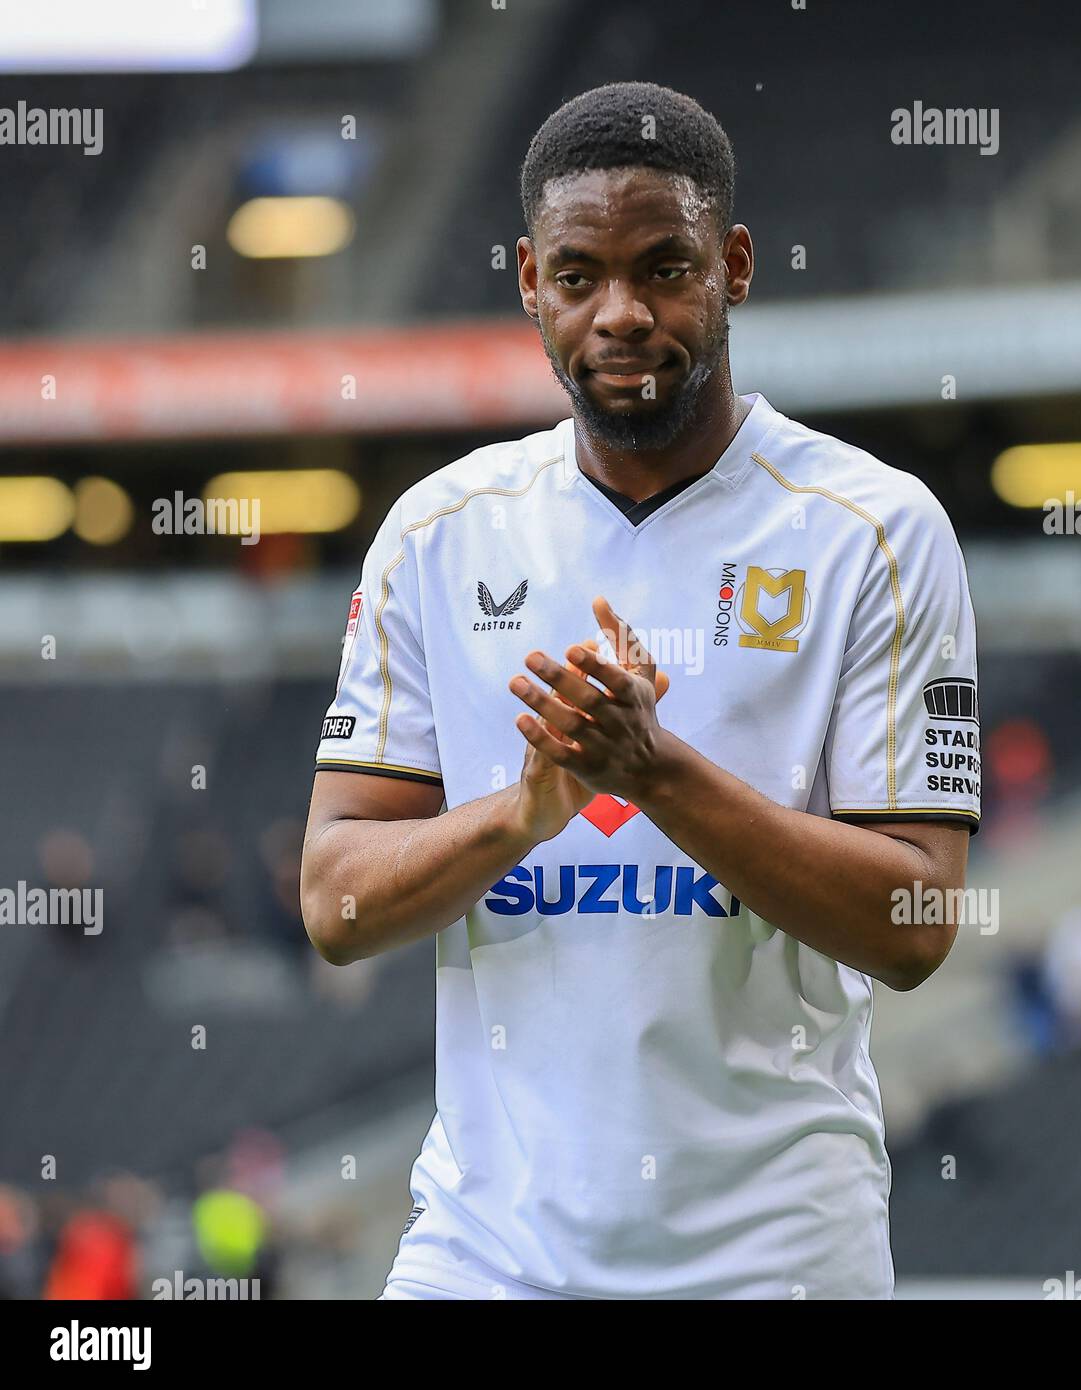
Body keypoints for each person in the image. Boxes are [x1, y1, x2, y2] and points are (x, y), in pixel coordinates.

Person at [300, 81, 980, 1300]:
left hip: (773, 1258)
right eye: (578, 277)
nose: (620, 314)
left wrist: (651, 772)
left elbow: (918, 924)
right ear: (527, 281)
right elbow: (335, 903)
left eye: (663, 268)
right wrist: (522, 812)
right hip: (485, 1252)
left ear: (733, 265)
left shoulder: (872, 529)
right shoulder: (436, 535)